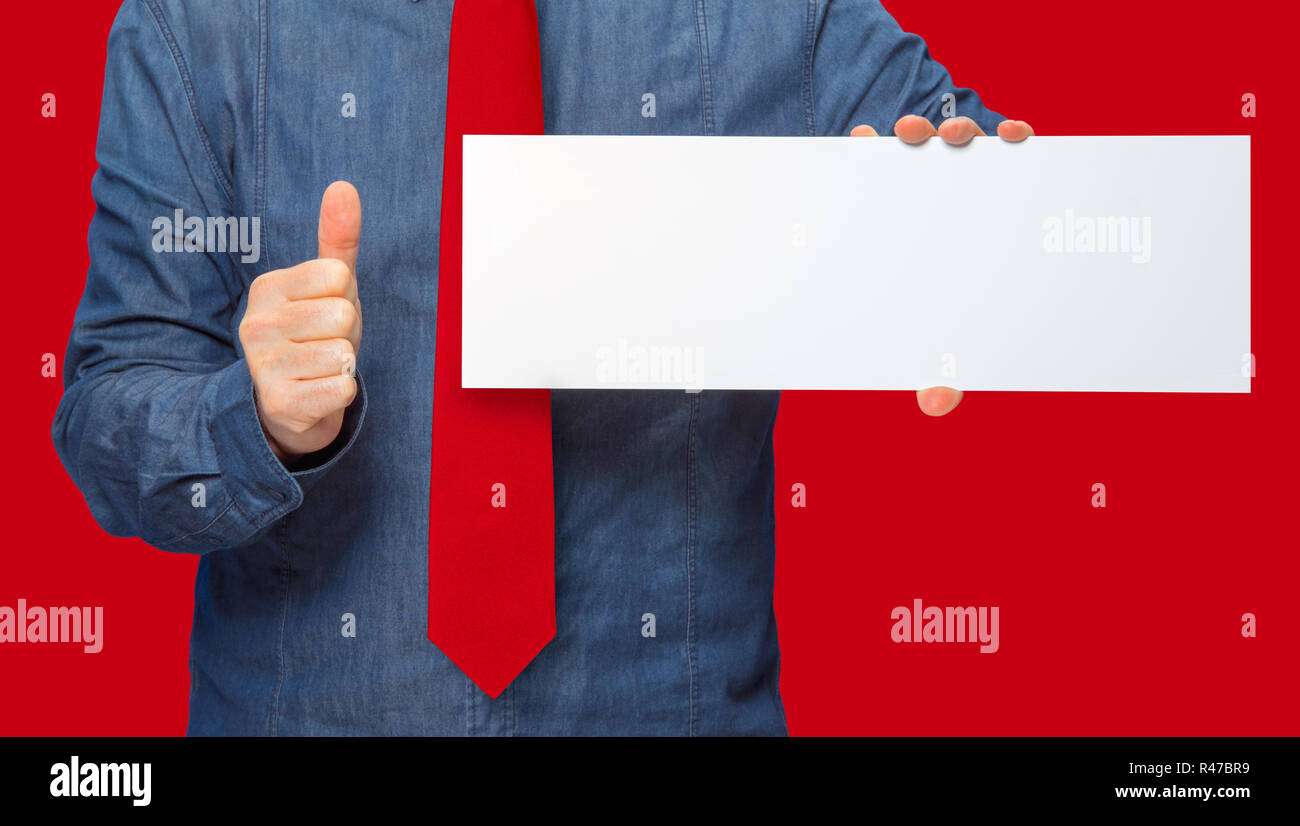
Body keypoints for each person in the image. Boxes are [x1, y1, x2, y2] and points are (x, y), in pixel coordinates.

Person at [53, 0, 1031, 735]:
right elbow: (106, 408)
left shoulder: (776, 11)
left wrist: (964, 227)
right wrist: (246, 417)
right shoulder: (200, 22)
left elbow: (993, 204)